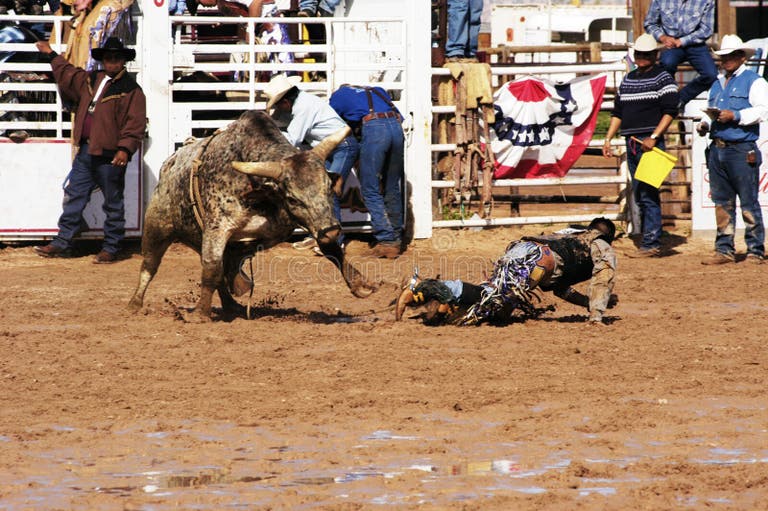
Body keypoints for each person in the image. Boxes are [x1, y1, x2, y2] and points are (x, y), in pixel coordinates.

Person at [34, 37, 146, 263]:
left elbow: (135, 124)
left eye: (116, 58)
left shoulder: (132, 90)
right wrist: (50, 54)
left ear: (123, 61)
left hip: (111, 154)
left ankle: (111, 247)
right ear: (103, 60)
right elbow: (67, 73)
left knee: (113, 202)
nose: (112, 62)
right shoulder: (91, 79)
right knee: (75, 195)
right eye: (108, 58)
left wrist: (124, 149)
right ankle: (63, 241)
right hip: (87, 150)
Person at [396, 218, 618, 326]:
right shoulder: (601, 244)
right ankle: (424, 288)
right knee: (489, 298)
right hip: (538, 260)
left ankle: (443, 302)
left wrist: (589, 303)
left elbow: (561, 289)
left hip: (522, 250)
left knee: (496, 304)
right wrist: (597, 313)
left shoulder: (570, 234)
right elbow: (603, 278)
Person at [603, 33, 678, 258]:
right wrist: (608, 138)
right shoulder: (628, 80)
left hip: (648, 141)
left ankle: (651, 241)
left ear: (654, 55)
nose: (642, 57)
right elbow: (618, 112)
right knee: (641, 190)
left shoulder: (663, 78)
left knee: (647, 191)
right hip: (634, 141)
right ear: (635, 55)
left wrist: (654, 136)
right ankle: (650, 237)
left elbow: (670, 111)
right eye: (640, 54)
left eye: (646, 54)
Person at [264, 74, 359, 247]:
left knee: (330, 190)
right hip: (331, 148)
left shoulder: (303, 107)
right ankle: (320, 234)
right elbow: (275, 122)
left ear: (285, 102)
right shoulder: (300, 103)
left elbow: (292, 139)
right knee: (320, 191)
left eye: (278, 104)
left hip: (342, 146)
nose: (279, 108)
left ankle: (334, 241)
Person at [697, 35, 768, 265]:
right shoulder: (718, 84)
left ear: (740, 56)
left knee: (748, 201)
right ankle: (724, 248)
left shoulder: (755, 81)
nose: (724, 60)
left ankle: (755, 250)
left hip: (741, 148)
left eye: (729, 56)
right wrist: (705, 124)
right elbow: (710, 112)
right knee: (722, 201)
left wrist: (735, 115)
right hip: (719, 148)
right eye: (722, 57)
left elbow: (763, 111)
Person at [330, 85, 405, 259]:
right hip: (395, 127)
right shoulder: (377, 90)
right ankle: (395, 238)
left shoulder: (338, 96)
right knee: (391, 185)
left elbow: (333, 123)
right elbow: (399, 116)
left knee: (370, 188)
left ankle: (386, 240)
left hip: (374, 130)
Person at [643, 0, 717, 110]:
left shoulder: (707, 1)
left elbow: (707, 29)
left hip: (696, 43)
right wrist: (663, 37)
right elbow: (650, 24)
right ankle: (667, 99)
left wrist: (683, 41)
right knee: (666, 64)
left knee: (711, 74)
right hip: (671, 42)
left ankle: (680, 99)